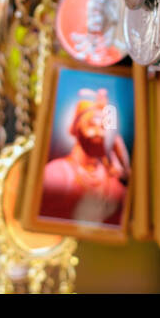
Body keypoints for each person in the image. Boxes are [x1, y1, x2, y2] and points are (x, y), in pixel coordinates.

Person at [39, 88, 129, 226]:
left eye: (104, 127)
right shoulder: (56, 173)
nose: (99, 131)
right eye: (92, 124)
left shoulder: (115, 183)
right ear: (75, 128)